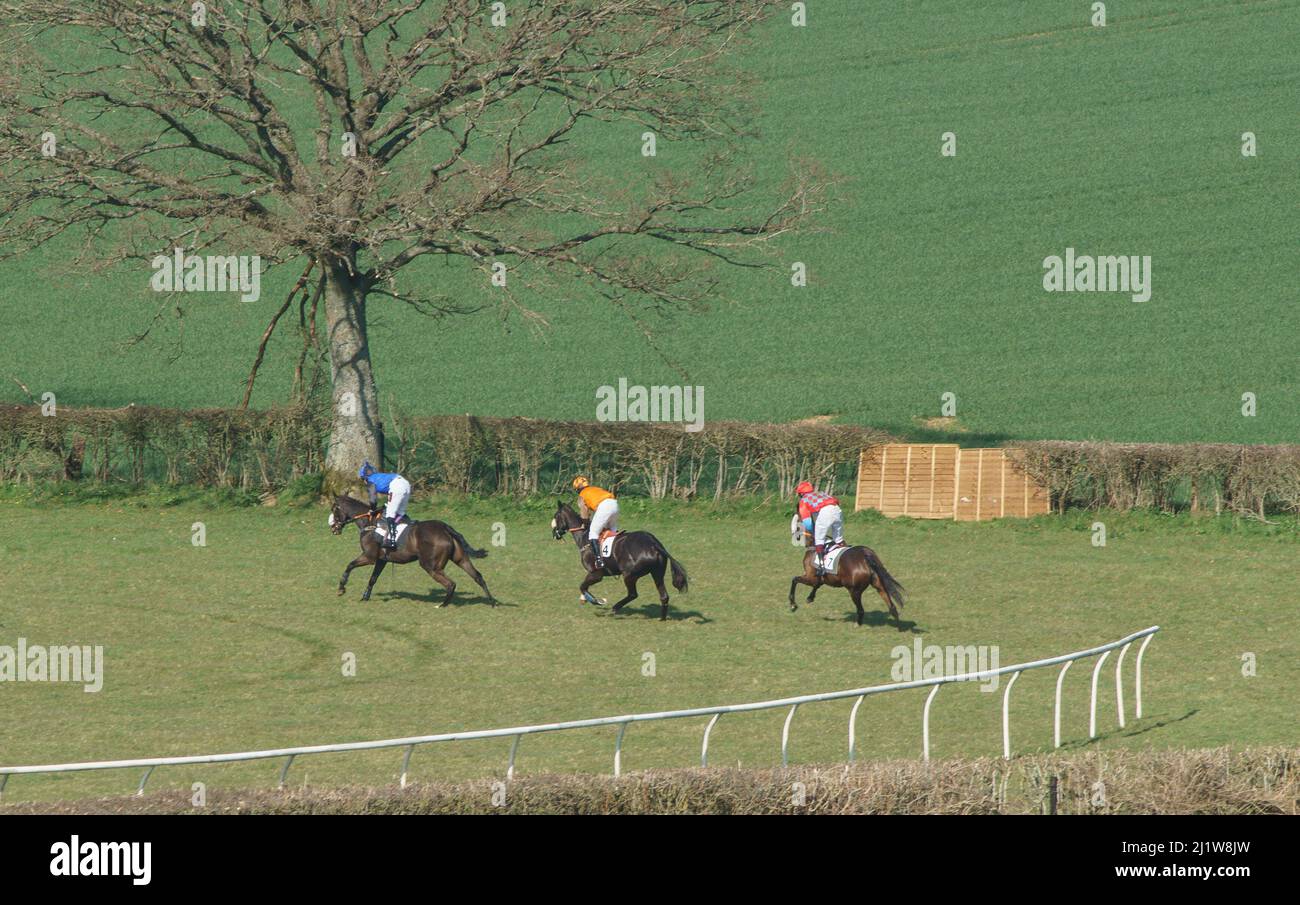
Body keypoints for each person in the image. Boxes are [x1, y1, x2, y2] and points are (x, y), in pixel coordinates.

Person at [359, 462, 411, 550]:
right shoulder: (379, 476)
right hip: (406, 484)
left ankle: (392, 541)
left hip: (396, 486)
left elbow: (373, 499)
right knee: (400, 513)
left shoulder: (370, 481)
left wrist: (372, 510)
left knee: (390, 514)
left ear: (364, 478)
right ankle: (406, 525)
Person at [794, 480, 843, 573]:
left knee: (819, 539)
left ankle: (821, 567)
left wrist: (813, 532)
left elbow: (807, 522)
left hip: (826, 511)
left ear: (801, 494)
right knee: (838, 539)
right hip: (837, 509)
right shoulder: (820, 493)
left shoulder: (803, 501)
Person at [572, 475, 619, 568]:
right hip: (615, 504)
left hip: (604, 507)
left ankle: (599, 560)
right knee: (612, 532)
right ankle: (615, 555)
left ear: (577, 489)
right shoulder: (595, 488)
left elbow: (584, 513)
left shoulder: (582, 495)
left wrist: (585, 524)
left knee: (593, 533)